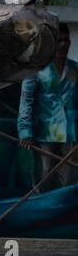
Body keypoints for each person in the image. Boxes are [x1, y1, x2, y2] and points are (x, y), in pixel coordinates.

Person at [17, 22, 78, 190]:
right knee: (44, 178)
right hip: (44, 132)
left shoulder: (75, 69)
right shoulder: (36, 70)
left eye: (66, 40)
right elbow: (26, 102)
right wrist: (25, 131)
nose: (63, 44)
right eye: (59, 40)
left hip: (71, 134)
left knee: (69, 182)